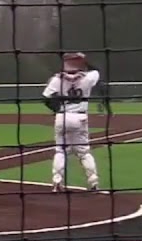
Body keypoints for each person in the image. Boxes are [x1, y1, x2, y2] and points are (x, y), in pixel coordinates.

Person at [42, 52, 102, 191]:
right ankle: (93, 182)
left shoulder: (57, 79)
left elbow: (46, 97)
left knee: (60, 151)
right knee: (84, 152)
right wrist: (84, 59)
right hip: (79, 117)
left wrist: (56, 108)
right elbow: (97, 70)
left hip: (62, 116)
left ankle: (57, 182)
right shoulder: (88, 78)